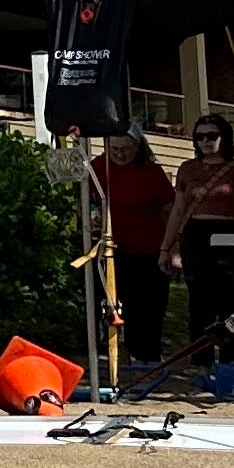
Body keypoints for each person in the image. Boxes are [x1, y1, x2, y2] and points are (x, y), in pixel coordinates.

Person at [163, 114, 234, 377]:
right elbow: (178, 210)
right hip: (196, 236)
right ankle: (201, 360)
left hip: (231, 235)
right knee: (199, 302)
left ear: (224, 137)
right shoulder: (187, 169)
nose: (206, 141)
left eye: (212, 136)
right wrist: (166, 247)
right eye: (200, 136)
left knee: (232, 300)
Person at [93, 128, 175, 377]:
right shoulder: (98, 167)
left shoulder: (150, 172)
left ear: (138, 148)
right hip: (110, 248)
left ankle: (147, 356)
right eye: (114, 149)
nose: (119, 154)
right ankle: (114, 354)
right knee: (110, 305)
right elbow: (85, 199)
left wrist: (172, 247)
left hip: (148, 248)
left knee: (147, 308)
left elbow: (168, 210)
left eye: (125, 149)